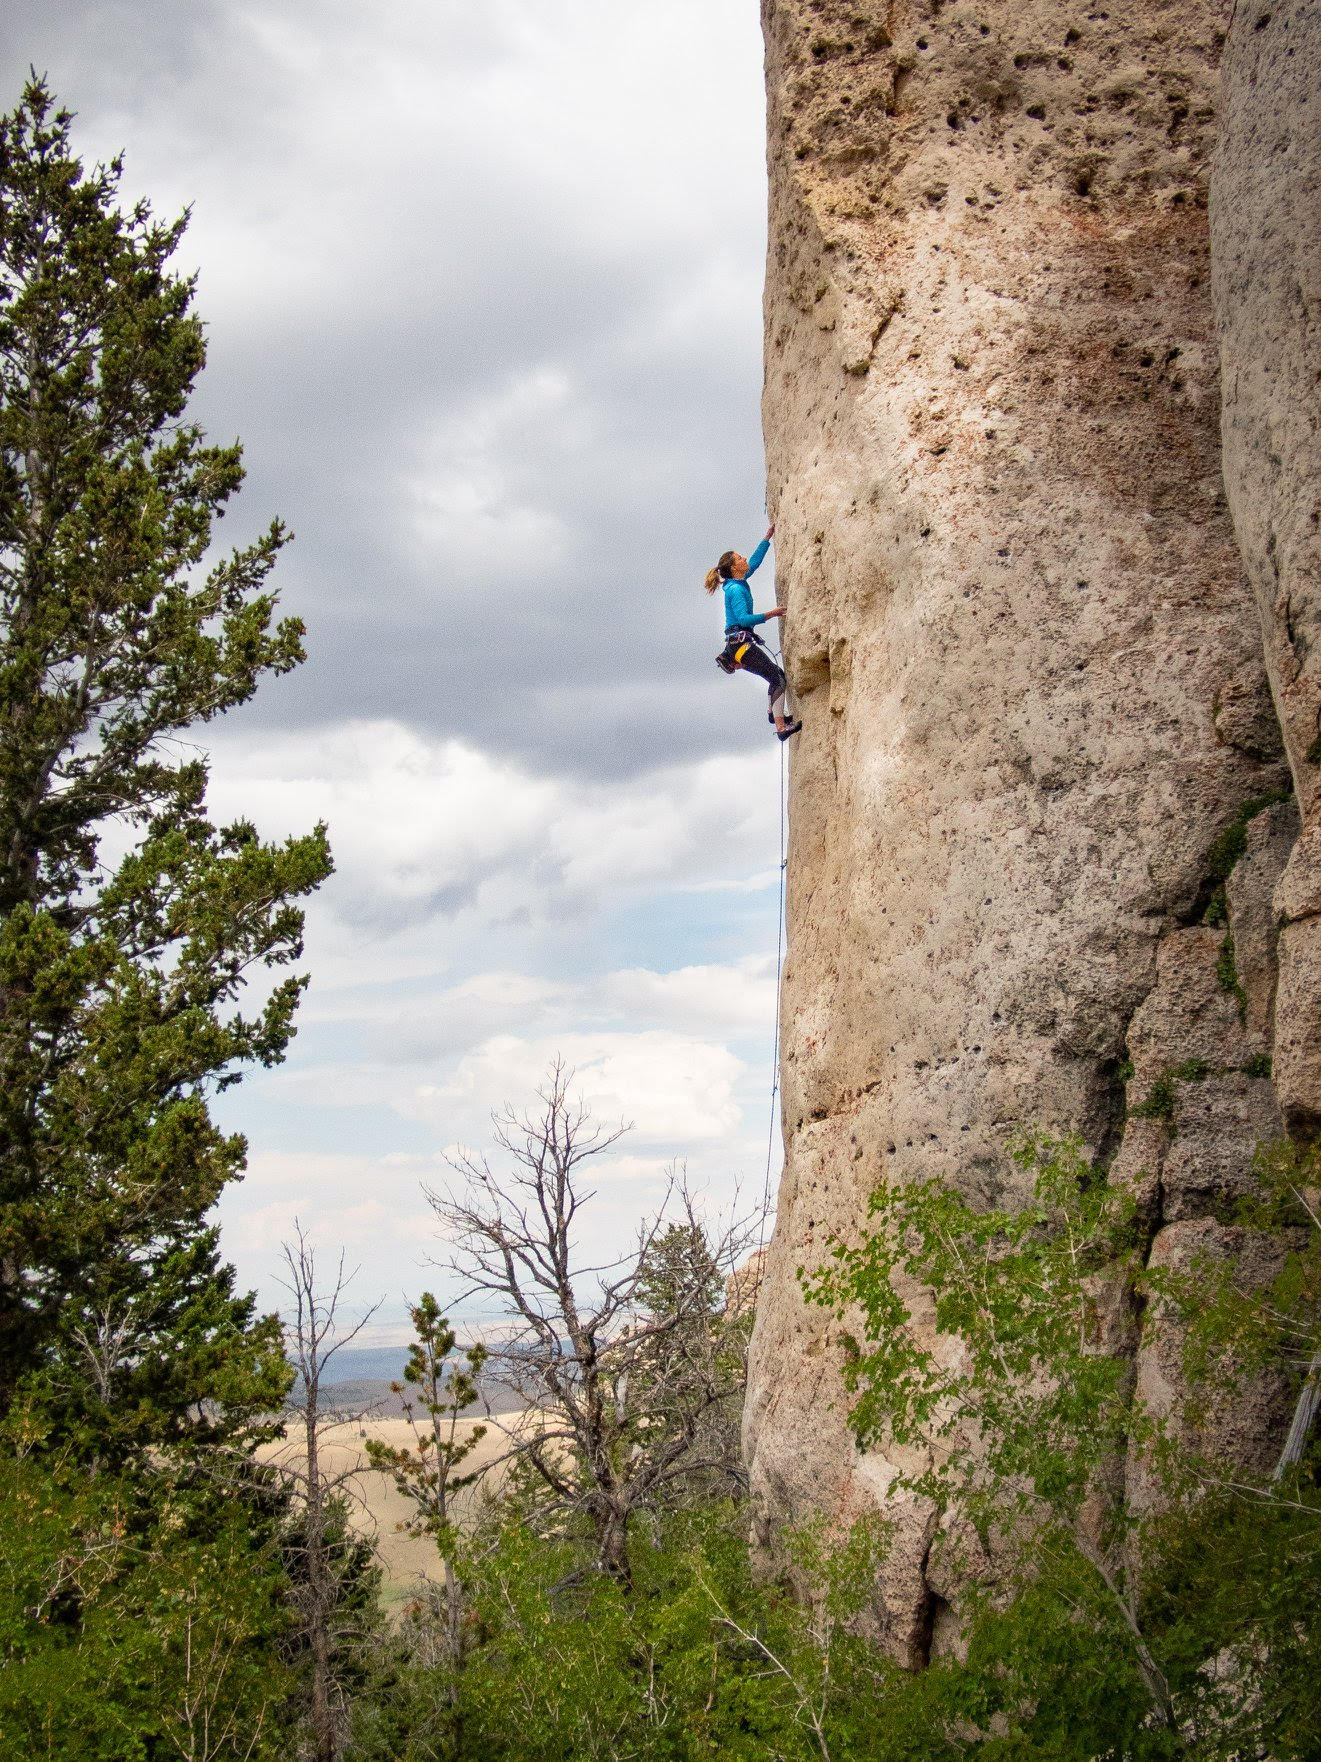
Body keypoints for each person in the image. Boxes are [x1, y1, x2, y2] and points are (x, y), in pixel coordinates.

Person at [705, 523, 801, 740]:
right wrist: (771, 614)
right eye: (739, 558)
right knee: (777, 677)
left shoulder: (738, 582)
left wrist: (767, 538)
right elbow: (743, 619)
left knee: (775, 675)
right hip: (741, 646)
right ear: (733, 567)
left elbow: (755, 563)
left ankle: (773, 714)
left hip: (738, 646)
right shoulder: (736, 590)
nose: (744, 559)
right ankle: (780, 728)